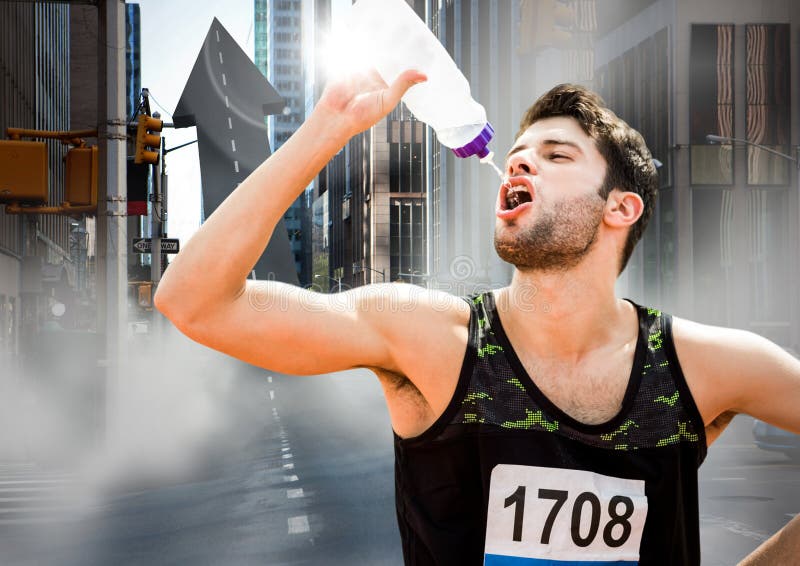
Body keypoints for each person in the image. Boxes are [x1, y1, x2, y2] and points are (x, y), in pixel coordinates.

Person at [154, 69, 800, 565]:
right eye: (520, 152)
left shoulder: (702, 364)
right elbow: (194, 301)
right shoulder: (430, 338)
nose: (521, 161)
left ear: (620, 209)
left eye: (557, 155)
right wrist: (329, 124)